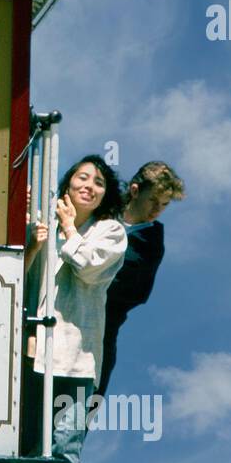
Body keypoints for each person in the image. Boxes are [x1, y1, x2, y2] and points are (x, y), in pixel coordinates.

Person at [12, 155, 127, 463]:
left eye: (98, 183)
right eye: (82, 177)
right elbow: (19, 277)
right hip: (34, 350)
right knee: (28, 439)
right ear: (67, 183)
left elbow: (87, 267)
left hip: (78, 358)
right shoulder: (45, 224)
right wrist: (35, 240)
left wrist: (66, 228)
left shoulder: (110, 232)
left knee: (66, 442)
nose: (89, 186)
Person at [96, 161, 185, 397]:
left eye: (164, 204)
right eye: (153, 200)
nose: (157, 209)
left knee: (75, 417)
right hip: (58, 315)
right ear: (135, 190)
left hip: (102, 332)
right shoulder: (99, 211)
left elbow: (136, 293)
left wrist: (90, 272)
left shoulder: (152, 244)